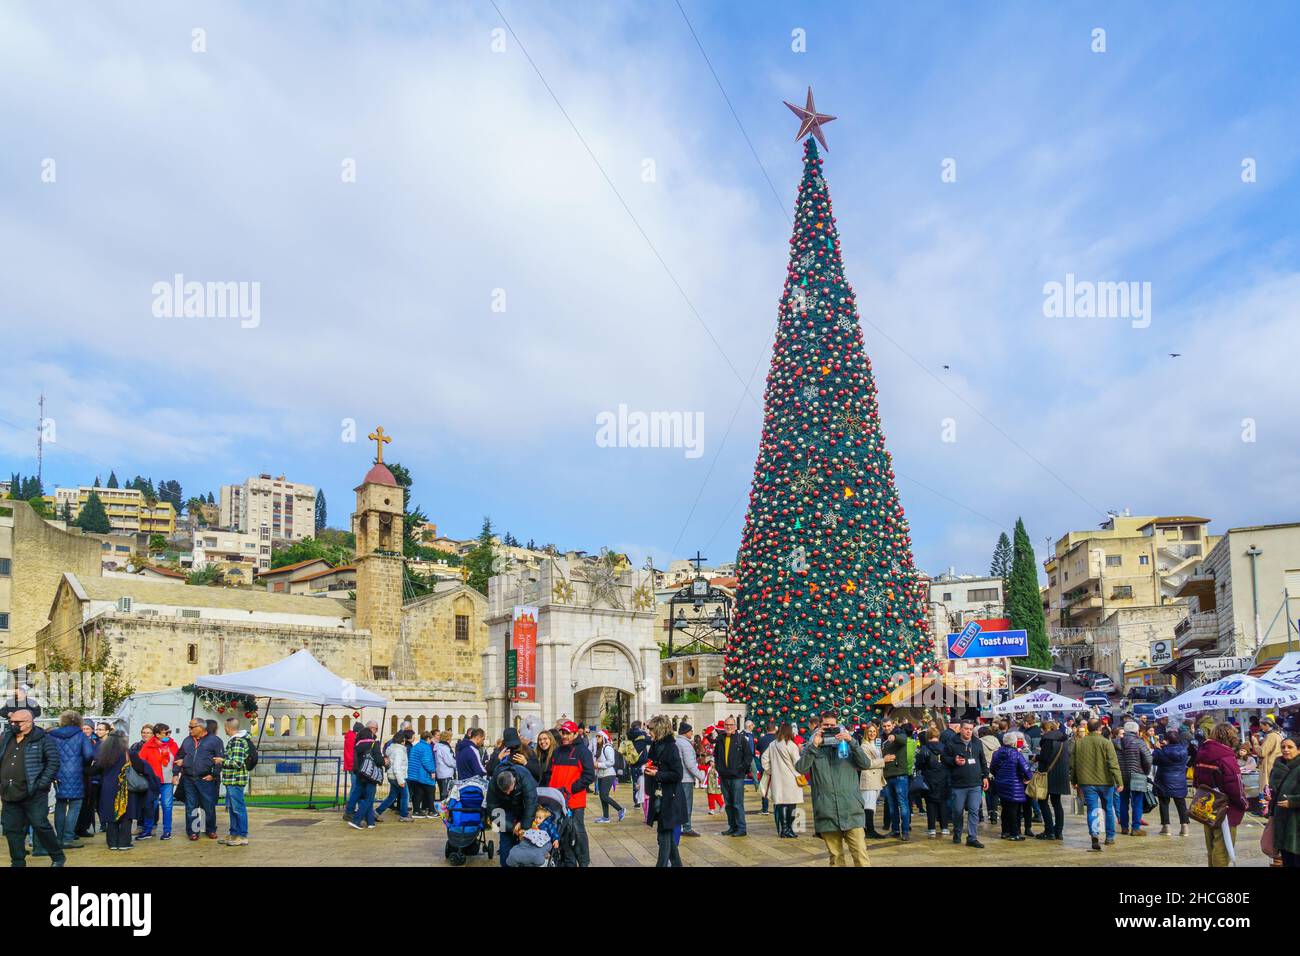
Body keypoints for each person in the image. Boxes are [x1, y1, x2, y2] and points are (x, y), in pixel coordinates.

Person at [795, 711, 882, 866]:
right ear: (819, 726)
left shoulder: (848, 746)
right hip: (827, 812)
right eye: (825, 725)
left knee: (861, 856)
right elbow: (801, 768)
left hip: (851, 810)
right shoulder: (813, 747)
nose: (829, 728)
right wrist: (814, 746)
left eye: (832, 725)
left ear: (838, 726)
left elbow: (865, 764)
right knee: (835, 858)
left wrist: (852, 742)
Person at [1, 708, 66, 867]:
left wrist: (41, 784)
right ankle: (17, 861)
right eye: (11, 722)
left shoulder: (43, 739)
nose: (13, 724)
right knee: (11, 829)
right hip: (9, 792)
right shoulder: (6, 737)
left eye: (17, 722)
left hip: (34, 793)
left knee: (40, 825)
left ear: (29, 722)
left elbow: (53, 763)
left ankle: (57, 857)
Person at [1192, 722, 1249, 867]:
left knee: (1211, 846)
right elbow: (1235, 786)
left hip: (1206, 804)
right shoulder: (1226, 757)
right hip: (1225, 808)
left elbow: (1196, 780)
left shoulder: (1202, 752)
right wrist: (1244, 804)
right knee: (1222, 848)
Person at [91, 730, 149, 851]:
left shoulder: (104, 754)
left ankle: (112, 842)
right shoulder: (129, 753)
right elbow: (141, 768)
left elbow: (95, 770)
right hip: (126, 787)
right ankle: (124, 842)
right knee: (126, 815)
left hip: (108, 787)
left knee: (111, 814)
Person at [1072, 717, 1123, 852]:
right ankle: (1110, 836)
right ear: (1100, 728)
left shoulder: (1079, 743)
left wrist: (1074, 780)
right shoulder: (1107, 743)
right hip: (1106, 782)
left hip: (1087, 782)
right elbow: (1113, 764)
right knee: (1108, 808)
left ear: (1088, 728)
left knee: (1092, 809)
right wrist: (1119, 781)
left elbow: (1073, 764)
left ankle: (1095, 834)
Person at [548, 720, 596, 866]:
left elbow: (589, 776)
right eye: (563, 733)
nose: (564, 736)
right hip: (556, 801)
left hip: (574, 801)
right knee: (560, 832)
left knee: (577, 831)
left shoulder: (583, 751)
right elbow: (551, 773)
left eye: (568, 733)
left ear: (575, 734)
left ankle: (583, 861)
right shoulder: (557, 751)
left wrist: (571, 789)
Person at [642, 715, 687, 867]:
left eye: (652, 729)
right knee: (664, 832)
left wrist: (657, 774)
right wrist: (650, 769)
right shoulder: (655, 745)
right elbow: (654, 763)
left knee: (664, 834)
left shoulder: (671, 747)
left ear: (660, 729)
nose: (649, 732)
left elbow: (677, 774)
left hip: (670, 797)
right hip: (659, 795)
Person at [48, 709, 94, 851]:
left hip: (58, 774)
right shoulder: (81, 736)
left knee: (60, 805)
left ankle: (59, 838)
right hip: (76, 774)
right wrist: (83, 765)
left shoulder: (52, 735)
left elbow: (48, 754)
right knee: (75, 806)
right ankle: (68, 838)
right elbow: (89, 754)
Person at [943, 718, 989, 848]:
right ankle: (957, 832)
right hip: (958, 784)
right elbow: (944, 758)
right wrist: (954, 760)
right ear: (960, 729)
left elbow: (982, 760)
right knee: (957, 811)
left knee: (974, 810)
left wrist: (985, 776)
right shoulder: (952, 742)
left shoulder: (977, 742)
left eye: (970, 729)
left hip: (975, 783)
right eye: (966, 729)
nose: (968, 731)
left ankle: (972, 837)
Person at [175, 717, 223, 841]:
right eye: (189, 727)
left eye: (192, 727)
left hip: (206, 779)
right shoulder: (187, 741)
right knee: (191, 806)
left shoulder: (215, 741)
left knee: (208, 806)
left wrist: (214, 775)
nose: (189, 729)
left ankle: (210, 829)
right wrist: (176, 773)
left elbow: (219, 759)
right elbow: (179, 756)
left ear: (201, 727)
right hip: (189, 779)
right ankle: (193, 831)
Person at [486, 761, 538, 867]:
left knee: (524, 840)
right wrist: (512, 827)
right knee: (505, 838)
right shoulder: (493, 784)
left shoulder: (524, 776)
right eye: (505, 792)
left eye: (510, 790)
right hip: (505, 809)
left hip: (523, 808)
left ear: (514, 780)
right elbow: (493, 812)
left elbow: (531, 803)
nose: (508, 793)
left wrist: (523, 825)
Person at [761, 722, 804, 838]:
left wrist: (770, 770)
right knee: (791, 805)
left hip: (778, 779)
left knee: (781, 803)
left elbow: (764, 758)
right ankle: (788, 829)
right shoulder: (791, 745)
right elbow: (797, 764)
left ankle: (784, 829)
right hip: (791, 779)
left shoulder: (773, 744)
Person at [713, 716, 752, 837]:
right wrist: (720, 769)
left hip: (737, 777)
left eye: (731, 725)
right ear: (724, 727)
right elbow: (716, 755)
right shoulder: (720, 738)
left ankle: (741, 828)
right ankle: (732, 826)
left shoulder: (741, 739)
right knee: (728, 804)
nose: (728, 727)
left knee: (737, 803)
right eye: (726, 725)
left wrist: (741, 770)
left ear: (735, 726)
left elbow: (748, 757)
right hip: (724, 776)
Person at [990, 730, 1032, 841]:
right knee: (1014, 809)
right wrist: (1027, 778)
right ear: (1013, 742)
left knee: (1005, 807)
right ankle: (1014, 833)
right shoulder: (1016, 754)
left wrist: (999, 776)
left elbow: (992, 768)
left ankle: (1005, 831)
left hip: (1001, 784)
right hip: (1015, 784)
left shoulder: (997, 753)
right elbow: (1026, 769)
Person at [141, 723, 179, 840]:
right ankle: (148, 830)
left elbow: (178, 761)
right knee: (151, 805)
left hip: (167, 781)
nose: (169, 735)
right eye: (166, 733)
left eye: (169, 732)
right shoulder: (148, 746)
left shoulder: (173, 745)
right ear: (157, 734)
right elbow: (141, 762)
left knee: (167, 806)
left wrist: (176, 774)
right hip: (153, 781)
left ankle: (167, 831)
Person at [1034, 719, 1070, 841]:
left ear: (1046, 729)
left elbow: (1045, 758)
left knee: (1042, 802)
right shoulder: (1063, 739)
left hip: (1048, 775)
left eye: (1042, 730)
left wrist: (1036, 757)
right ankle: (1058, 831)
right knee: (1057, 803)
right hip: (1061, 775)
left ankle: (1049, 831)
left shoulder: (1047, 739)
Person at [1151, 728, 1190, 836]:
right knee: (1181, 803)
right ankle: (1184, 827)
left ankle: (1166, 827)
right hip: (1179, 780)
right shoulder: (1183, 750)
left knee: (1163, 803)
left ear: (1167, 740)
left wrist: (1157, 748)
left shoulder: (1162, 751)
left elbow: (1153, 761)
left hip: (1164, 780)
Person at [1267, 736, 1299, 867]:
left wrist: (1293, 801)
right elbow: (1274, 792)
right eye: (1283, 747)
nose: (1285, 750)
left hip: (1296, 823)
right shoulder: (1277, 766)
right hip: (1281, 821)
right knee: (1286, 860)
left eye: (1290, 747)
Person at [916, 726, 950, 837]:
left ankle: (932, 828)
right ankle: (944, 827)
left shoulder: (924, 748)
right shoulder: (945, 747)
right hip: (943, 779)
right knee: (943, 803)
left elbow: (919, 764)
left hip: (929, 778)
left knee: (930, 804)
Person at [348, 726, 385, 831]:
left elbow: (355, 762)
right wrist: (384, 761)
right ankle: (356, 820)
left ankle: (370, 822)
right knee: (369, 799)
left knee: (363, 798)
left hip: (360, 775)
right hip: (370, 775)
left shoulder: (357, 745)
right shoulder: (374, 744)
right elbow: (378, 760)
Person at [881, 720, 912, 840]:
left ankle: (905, 831)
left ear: (893, 725)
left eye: (889, 725)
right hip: (888, 776)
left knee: (902, 804)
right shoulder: (883, 740)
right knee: (892, 805)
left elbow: (903, 740)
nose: (886, 728)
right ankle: (895, 830)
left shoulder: (900, 733)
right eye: (884, 726)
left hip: (900, 776)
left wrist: (894, 736)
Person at [673, 721, 705, 837]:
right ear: (686, 732)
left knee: (679, 803)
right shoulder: (685, 744)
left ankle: (679, 825)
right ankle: (687, 827)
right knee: (686, 803)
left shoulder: (677, 741)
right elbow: (690, 764)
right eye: (691, 731)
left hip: (678, 778)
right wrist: (701, 776)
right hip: (685, 779)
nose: (692, 733)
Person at [376, 729, 413, 822]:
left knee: (392, 797)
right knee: (405, 796)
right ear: (402, 741)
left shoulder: (391, 748)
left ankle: (377, 811)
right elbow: (397, 767)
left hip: (391, 775)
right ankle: (404, 815)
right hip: (398, 777)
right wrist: (401, 781)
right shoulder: (399, 751)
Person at [858, 722, 887, 839]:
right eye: (869, 731)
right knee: (868, 805)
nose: (872, 733)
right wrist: (884, 760)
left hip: (876, 778)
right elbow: (867, 764)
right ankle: (870, 830)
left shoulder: (876, 744)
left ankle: (867, 828)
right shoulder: (864, 746)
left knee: (871, 805)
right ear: (866, 733)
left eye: (874, 731)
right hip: (869, 778)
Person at [591, 731, 625, 823]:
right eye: (597, 736)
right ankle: (606, 817)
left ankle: (620, 809)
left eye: (599, 736)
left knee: (604, 796)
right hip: (601, 774)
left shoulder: (607, 747)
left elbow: (611, 762)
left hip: (608, 774)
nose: (597, 738)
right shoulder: (599, 748)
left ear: (604, 737)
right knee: (602, 797)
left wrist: (598, 764)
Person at [407, 731, 436, 818]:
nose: (431, 741)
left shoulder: (415, 746)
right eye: (431, 739)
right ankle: (432, 811)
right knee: (431, 790)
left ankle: (416, 811)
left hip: (414, 775)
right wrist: (432, 771)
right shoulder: (426, 747)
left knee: (418, 792)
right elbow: (426, 761)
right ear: (428, 738)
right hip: (423, 774)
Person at [626, 720, 651, 807]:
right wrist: (645, 731)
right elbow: (651, 740)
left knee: (635, 783)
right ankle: (643, 798)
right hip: (642, 763)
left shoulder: (630, 734)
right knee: (643, 782)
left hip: (633, 763)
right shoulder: (642, 735)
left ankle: (636, 801)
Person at [754, 721, 776, 814]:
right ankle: (776, 808)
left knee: (765, 787)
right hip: (776, 766)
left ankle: (765, 809)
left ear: (766, 729)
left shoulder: (762, 739)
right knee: (777, 787)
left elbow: (758, 749)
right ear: (775, 729)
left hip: (765, 766)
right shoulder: (778, 739)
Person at [433, 730, 456, 800]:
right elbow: (449, 761)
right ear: (447, 739)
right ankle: (444, 809)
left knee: (442, 792)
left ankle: (442, 808)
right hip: (446, 773)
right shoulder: (444, 748)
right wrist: (456, 764)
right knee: (445, 794)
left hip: (440, 772)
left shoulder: (438, 746)